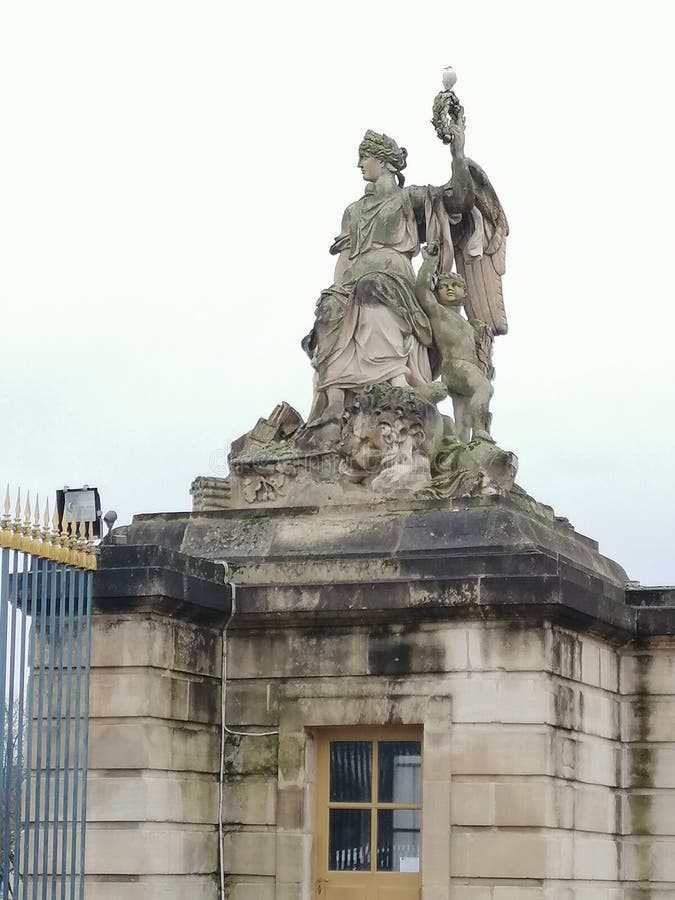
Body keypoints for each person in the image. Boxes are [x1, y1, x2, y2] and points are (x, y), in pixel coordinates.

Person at [303, 122, 475, 427]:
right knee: (329, 309)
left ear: (382, 161)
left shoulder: (409, 199)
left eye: (364, 157)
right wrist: (337, 290)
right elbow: (345, 257)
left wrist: (457, 152)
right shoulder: (353, 211)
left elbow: (459, 198)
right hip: (355, 281)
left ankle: (399, 379)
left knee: (371, 288)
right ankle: (334, 398)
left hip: (394, 281)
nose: (359, 164)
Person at [415, 242, 493, 442]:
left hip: (468, 367)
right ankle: (481, 433)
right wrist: (429, 262)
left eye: (455, 286)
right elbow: (422, 290)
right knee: (484, 388)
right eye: (443, 287)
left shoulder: (469, 325)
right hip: (455, 366)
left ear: (465, 293)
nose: (449, 289)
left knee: (463, 420)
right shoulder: (439, 312)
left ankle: (462, 447)